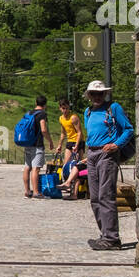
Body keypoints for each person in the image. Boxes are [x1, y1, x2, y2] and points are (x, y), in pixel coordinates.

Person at [79, 79, 134, 250]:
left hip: (107, 153)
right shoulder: (87, 112)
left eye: (100, 93)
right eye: (94, 94)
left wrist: (117, 144)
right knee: (95, 197)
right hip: (92, 153)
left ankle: (111, 238)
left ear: (105, 94)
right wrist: (88, 155)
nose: (97, 96)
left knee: (105, 195)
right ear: (89, 96)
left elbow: (128, 129)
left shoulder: (114, 108)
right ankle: (105, 234)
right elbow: (92, 134)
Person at [21, 94, 54, 198]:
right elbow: (43, 129)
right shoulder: (42, 114)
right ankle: (36, 192)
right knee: (36, 168)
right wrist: (50, 141)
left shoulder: (28, 113)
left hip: (27, 143)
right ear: (45, 105)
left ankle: (27, 191)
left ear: (36, 103)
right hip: (37, 144)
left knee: (27, 167)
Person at [56, 98, 82, 168]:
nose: (65, 110)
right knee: (66, 164)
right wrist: (60, 145)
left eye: (67, 108)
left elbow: (79, 132)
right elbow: (63, 133)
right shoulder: (61, 118)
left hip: (78, 141)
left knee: (77, 165)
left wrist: (77, 145)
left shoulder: (73, 117)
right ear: (60, 108)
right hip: (70, 141)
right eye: (63, 108)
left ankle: (78, 179)